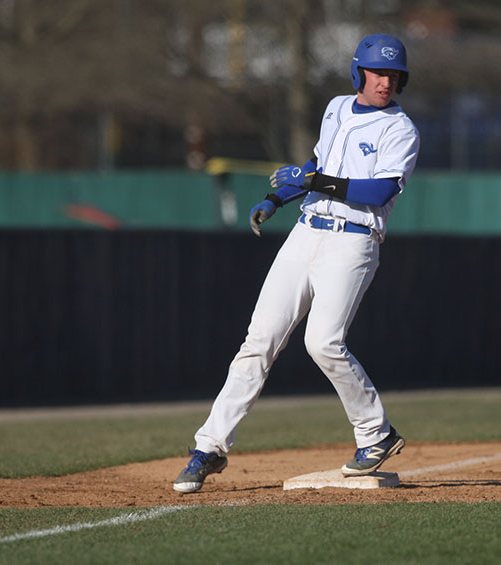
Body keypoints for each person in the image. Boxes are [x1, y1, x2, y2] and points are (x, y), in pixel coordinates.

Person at [173, 33, 420, 493]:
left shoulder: (400, 129)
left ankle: (376, 434)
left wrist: (315, 181)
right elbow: (314, 166)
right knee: (258, 340)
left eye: (393, 74)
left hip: (353, 242)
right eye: (377, 71)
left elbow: (380, 191)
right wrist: (276, 198)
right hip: (307, 234)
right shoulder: (335, 108)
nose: (385, 81)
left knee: (324, 342)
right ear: (357, 72)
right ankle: (208, 448)